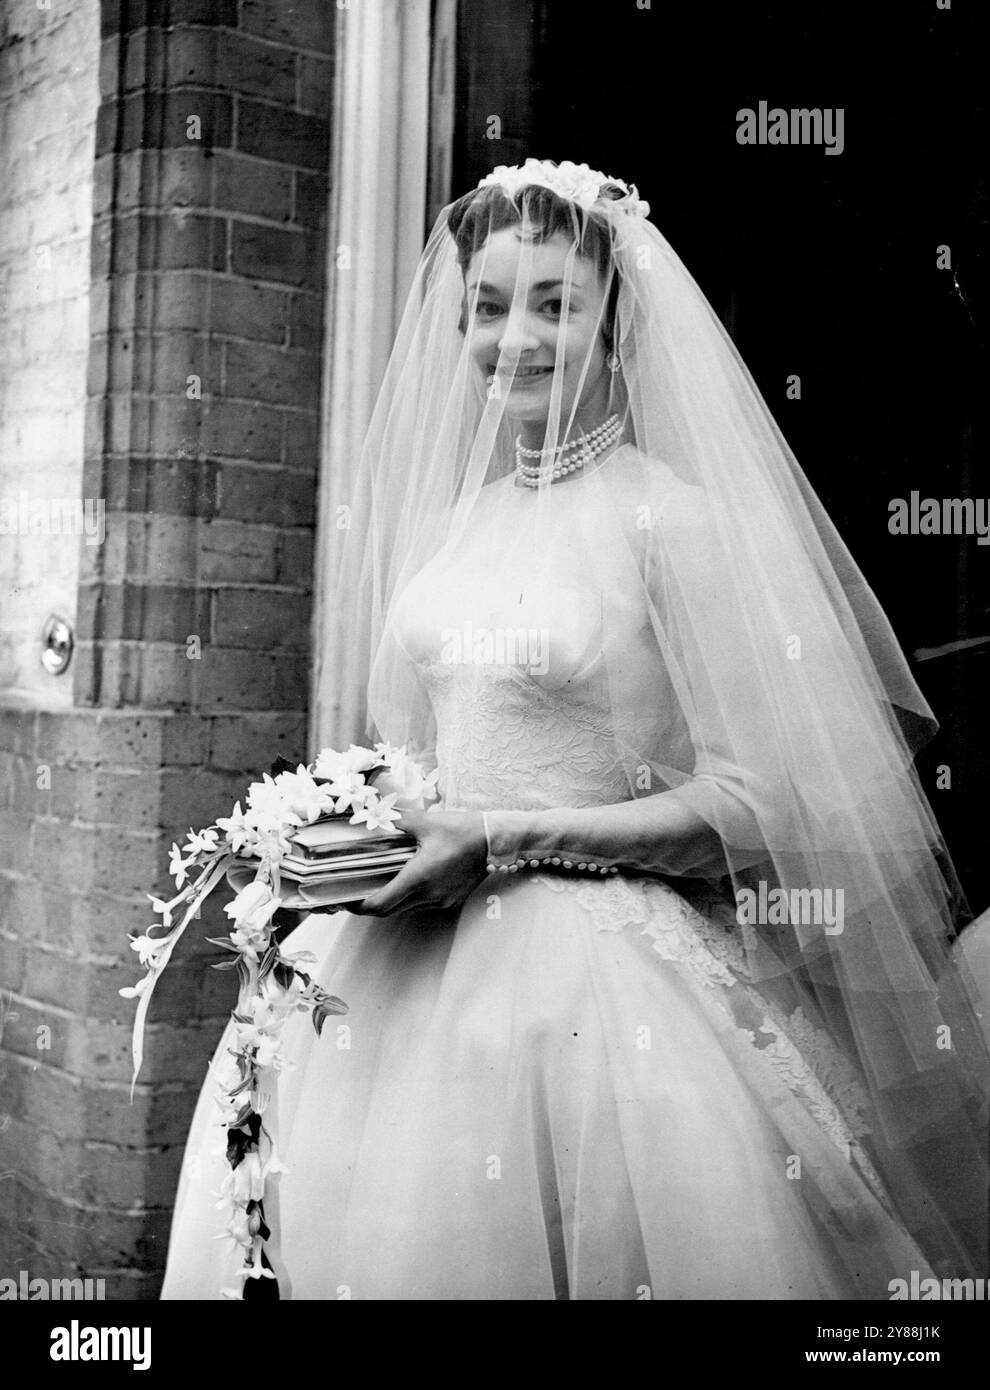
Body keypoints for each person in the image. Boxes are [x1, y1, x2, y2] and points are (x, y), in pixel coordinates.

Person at [162, 159, 989, 1300]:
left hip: (601, 993)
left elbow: (756, 803)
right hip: (395, 965)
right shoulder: (453, 528)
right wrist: (353, 829)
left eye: (558, 303)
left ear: (617, 324)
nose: (518, 338)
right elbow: (428, 752)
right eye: (490, 307)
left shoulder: (673, 525)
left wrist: (499, 837)